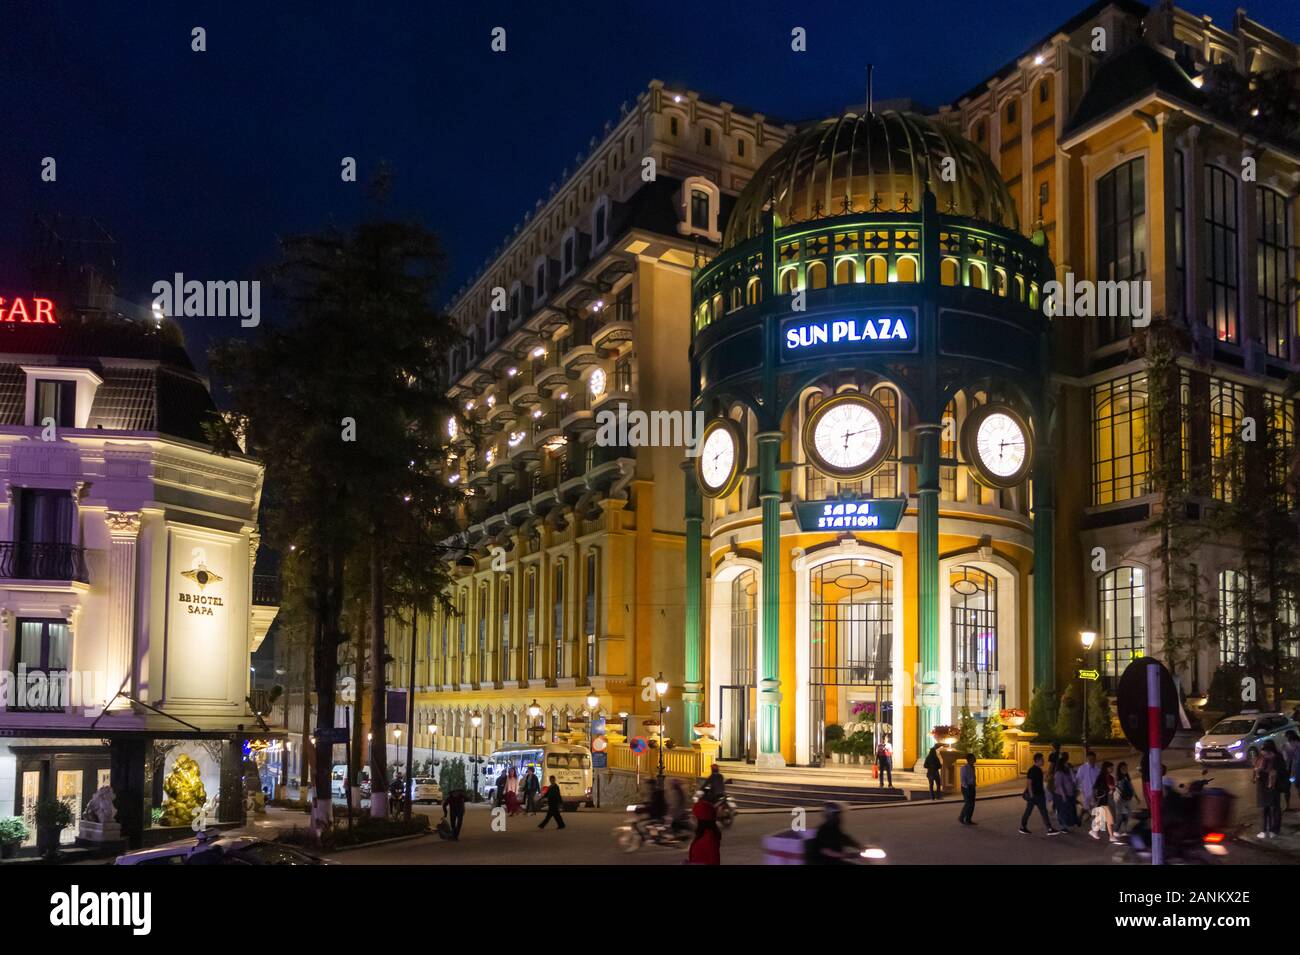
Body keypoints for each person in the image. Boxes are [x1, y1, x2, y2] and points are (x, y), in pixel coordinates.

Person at [1020, 753, 1062, 836]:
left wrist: (1048, 779)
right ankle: (1023, 827)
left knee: (1043, 812)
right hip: (1035, 796)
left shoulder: (1039, 770)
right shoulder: (1032, 770)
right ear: (1037, 760)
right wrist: (1031, 795)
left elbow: (1039, 782)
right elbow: (1029, 783)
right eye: (1042, 760)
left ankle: (1049, 828)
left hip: (1039, 795)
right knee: (1029, 812)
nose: (1043, 761)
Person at [1254, 741, 1281, 839]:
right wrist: (1258, 771)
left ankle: (1274, 830)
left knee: (1274, 808)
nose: (1263, 753)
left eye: (1264, 751)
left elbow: (1279, 772)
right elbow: (1256, 772)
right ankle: (1265, 830)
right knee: (1266, 809)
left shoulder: (1276, 758)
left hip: (1273, 787)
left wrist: (1261, 771)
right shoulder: (1262, 758)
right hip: (1264, 788)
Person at [686, 793, 721, 864]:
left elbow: (714, 862)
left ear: (701, 820)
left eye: (694, 816)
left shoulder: (709, 838)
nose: (692, 819)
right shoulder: (703, 834)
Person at [1089, 760, 1117, 841]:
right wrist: (1094, 798)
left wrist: (1112, 789)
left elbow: (1112, 789)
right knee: (1109, 818)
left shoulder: (1110, 777)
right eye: (1110, 767)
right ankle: (1111, 836)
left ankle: (1095, 831)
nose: (1112, 769)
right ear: (1106, 768)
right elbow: (1095, 787)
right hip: (1103, 799)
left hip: (1108, 799)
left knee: (1100, 818)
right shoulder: (1101, 777)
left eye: (1112, 767)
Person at [1053, 753, 1078, 829]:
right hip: (1061, 795)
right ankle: (1063, 826)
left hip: (1070, 794)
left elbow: (1074, 780)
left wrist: (1071, 771)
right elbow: (1059, 785)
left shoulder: (1068, 772)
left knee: (1070, 810)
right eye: (1065, 763)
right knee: (1063, 811)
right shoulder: (1059, 773)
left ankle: (1069, 823)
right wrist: (1063, 796)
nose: (1067, 764)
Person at [1076, 750, 1100, 816]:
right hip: (1085, 791)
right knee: (1085, 806)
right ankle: (1081, 816)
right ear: (1087, 759)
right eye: (1089, 759)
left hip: (1094, 792)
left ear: (1095, 759)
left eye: (1092, 759)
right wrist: (1079, 790)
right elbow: (1078, 779)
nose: (1091, 760)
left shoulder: (1097, 769)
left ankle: (1092, 818)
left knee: (1094, 806)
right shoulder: (1082, 768)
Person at [1114, 762, 1135, 833]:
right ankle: (1116, 831)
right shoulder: (1119, 779)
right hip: (1121, 800)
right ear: (1119, 769)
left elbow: (1131, 787)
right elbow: (1118, 790)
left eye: (1126, 768)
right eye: (1123, 768)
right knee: (1121, 817)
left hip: (1127, 799)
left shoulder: (1127, 777)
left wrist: (1136, 796)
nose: (1125, 769)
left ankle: (1124, 830)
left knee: (1126, 816)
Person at [958, 752, 977, 825]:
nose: (974, 759)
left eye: (974, 758)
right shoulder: (964, 768)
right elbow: (963, 779)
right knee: (968, 804)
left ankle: (968, 819)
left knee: (972, 804)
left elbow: (973, 777)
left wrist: (974, 783)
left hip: (972, 786)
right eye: (972, 758)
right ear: (969, 760)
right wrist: (966, 787)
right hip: (966, 787)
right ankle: (961, 817)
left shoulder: (973, 767)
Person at [1286, 731, 1300, 812]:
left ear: (1295, 741)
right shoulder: (1294, 751)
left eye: (1290, 743)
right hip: (1297, 777)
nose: (1290, 746)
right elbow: (1293, 765)